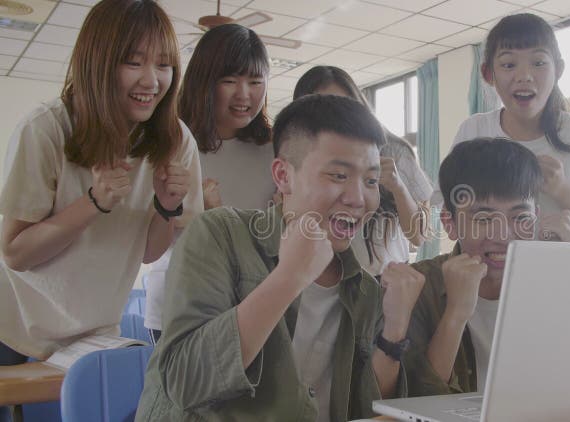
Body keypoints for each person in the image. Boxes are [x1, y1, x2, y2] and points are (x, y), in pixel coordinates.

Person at [135, 94, 425, 421]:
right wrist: (287, 279)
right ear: (283, 176)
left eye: (371, 181)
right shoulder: (220, 235)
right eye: (338, 176)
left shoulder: (363, 289)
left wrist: (395, 330)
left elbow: (367, 409)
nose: (358, 198)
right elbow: (185, 382)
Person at [0, 0, 202, 364]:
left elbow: (149, 252)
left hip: (93, 336)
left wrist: (166, 207)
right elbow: (16, 253)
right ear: (98, 62)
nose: (151, 80)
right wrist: (95, 202)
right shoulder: (46, 129)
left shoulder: (176, 140)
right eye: (134, 61)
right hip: (14, 329)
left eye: (163, 64)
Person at [405, 138, 570, 397]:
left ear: (535, 215)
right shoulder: (419, 285)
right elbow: (419, 400)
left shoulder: (553, 278)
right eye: (483, 218)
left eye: (520, 217)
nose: (503, 235)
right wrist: (455, 314)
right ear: (450, 222)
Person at [143, 23, 275, 343]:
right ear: (204, 82)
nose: (244, 94)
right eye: (229, 81)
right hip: (180, 304)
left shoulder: (274, 150)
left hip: (250, 304)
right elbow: (147, 231)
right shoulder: (170, 142)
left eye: (255, 81)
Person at [452, 13, 570, 244]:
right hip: (490, 275)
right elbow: (449, 217)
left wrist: (562, 190)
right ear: (488, 74)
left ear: (559, 70)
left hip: (561, 275)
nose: (524, 76)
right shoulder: (473, 131)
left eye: (539, 63)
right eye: (508, 64)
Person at [293, 65, 433, 275]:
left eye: (343, 104)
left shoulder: (393, 150)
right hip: (328, 280)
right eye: (320, 107)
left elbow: (418, 236)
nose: (334, 115)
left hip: (387, 280)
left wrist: (398, 186)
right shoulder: (300, 158)